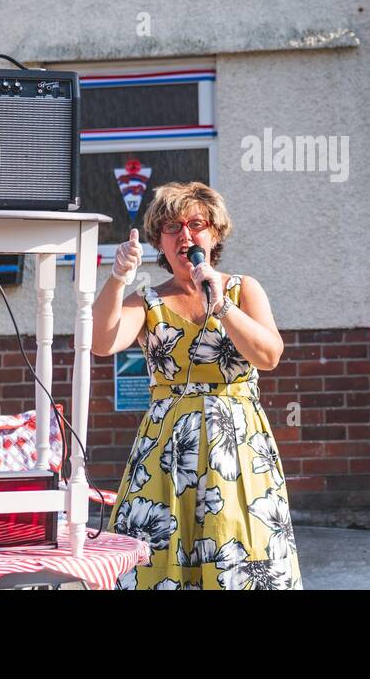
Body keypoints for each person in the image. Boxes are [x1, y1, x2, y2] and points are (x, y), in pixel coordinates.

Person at [92, 181, 302, 589]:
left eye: (195, 224)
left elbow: (269, 355)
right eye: (171, 227)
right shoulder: (147, 300)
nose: (184, 235)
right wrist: (117, 279)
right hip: (166, 451)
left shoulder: (243, 289)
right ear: (160, 242)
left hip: (236, 448)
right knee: (158, 559)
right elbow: (103, 343)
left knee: (239, 552)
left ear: (215, 234)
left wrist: (221, 305)